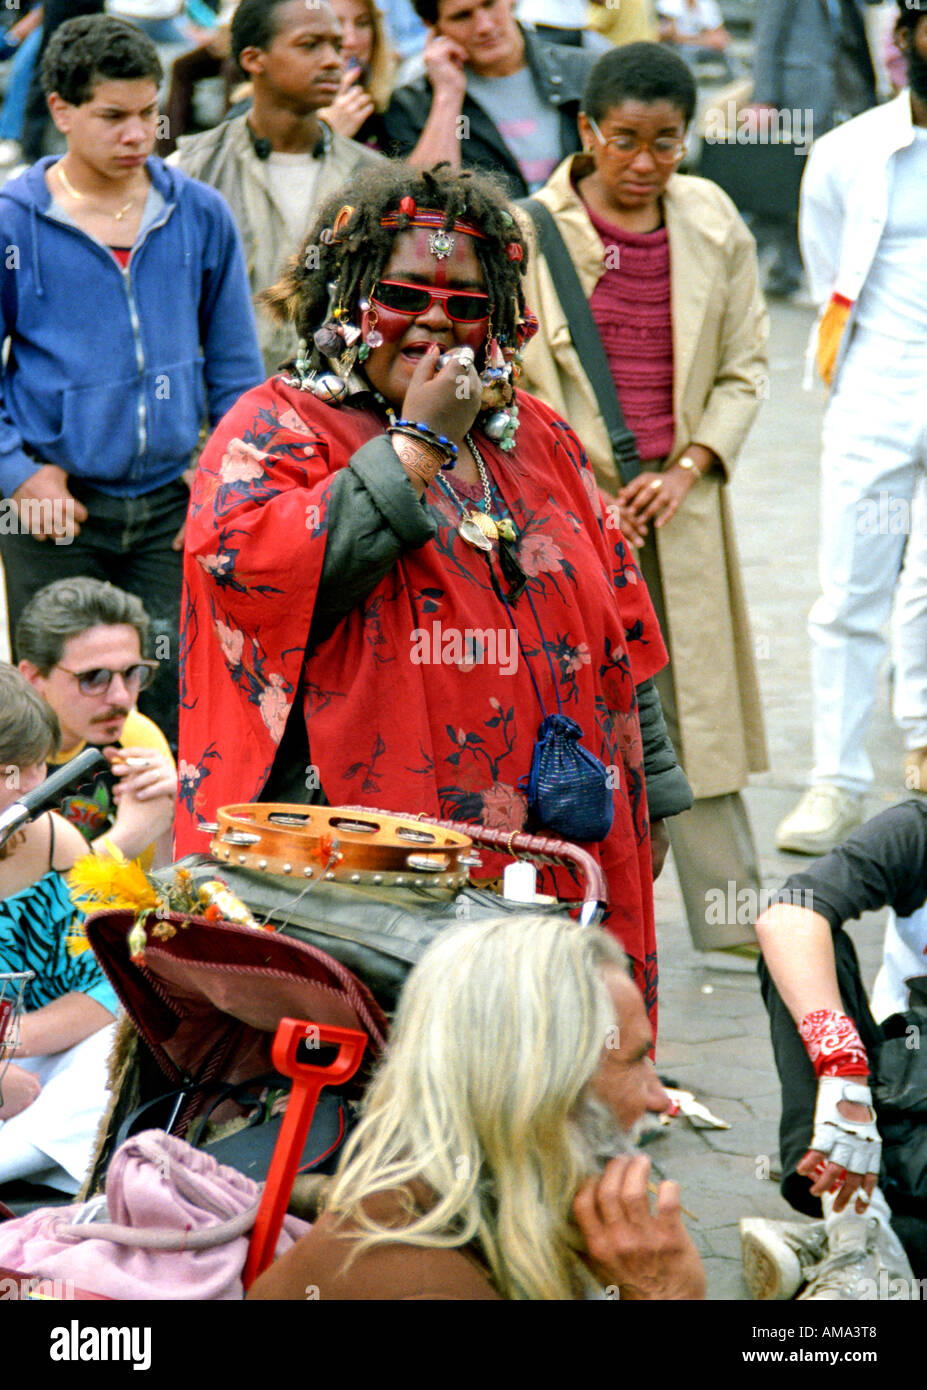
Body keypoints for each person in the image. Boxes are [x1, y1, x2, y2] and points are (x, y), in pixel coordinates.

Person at [175, 160, 695, 1028]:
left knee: (541, 1078)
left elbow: (621, 626)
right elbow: (265, 584)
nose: (433, 324)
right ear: (342, 296)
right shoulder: (272, 430)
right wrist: (417, 443)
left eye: (464, 304)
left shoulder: (543, 437)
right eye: (403, 295)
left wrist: (659, 798)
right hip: (371, 865)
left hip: (556, 837)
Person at [518, 43, 769, 956]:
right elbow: (510, 385)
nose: (643, 163)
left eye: (666, 143)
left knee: (697, 708)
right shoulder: (530, 231)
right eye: (623, 140)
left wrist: (691, 464)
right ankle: (575, 919)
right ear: (585, 131)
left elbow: (745, 367)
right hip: (567, 516)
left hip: (681, 505)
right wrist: (586, 489)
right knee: (575, 706)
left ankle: (731, 920)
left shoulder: (710, 216)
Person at [0, 14, 264, 748]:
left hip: (168, 505)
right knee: (58, 697)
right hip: (55, 511)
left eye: (150, 113)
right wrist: (19, 474)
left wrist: (219, 483)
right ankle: (52, 852)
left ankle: (158, 853)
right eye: (113, 116)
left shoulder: (199, 215)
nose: (138, 134)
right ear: (60, 110)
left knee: (166, 682)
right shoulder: (13, 224)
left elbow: (239, 377)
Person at [248, 915, 706, 1300]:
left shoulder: (459, 1212)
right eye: (632, 1062)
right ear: (539, 1092)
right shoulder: (428, 1286)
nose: (660, 1098)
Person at [775, 0, 927, 856]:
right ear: (902, 36)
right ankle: (832, 782)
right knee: (848, 591)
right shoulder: (846, 153)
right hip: (875, 382)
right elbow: (827, 272)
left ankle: (921, 749)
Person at [747, 800, 927, 1297]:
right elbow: (787, 917)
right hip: (891, 1098)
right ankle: (857, 1228)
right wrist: (841, 1065)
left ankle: (859, 1247)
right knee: (801, 962)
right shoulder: (917, 830)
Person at [171, 0, 386, 375]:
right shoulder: (191, 171)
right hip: (229, 410)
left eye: (336, 46)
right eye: (309, 45)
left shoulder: (376, 179)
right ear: (254, 59)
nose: (334, 60)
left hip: (344, 409)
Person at [0, 664, 119, 1196]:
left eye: (34, 766)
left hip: (39, 1064)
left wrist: (8, 1047)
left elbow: (107, 985)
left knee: (119, 1053)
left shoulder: (54, 841)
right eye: (9, 771)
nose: (31, 786)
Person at [17, 578, 176, 867]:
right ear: (33, 679)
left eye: (131, 673)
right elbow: (21, 904)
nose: (121, 696)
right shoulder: (8, 757)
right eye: (93, 678)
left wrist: (168, 819)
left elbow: (162, 887)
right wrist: (125, 840)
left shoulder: (138, 735)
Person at [381, 0, 598, 196]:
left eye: (490, 4)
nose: (484, 26)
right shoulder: (413, 105)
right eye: (462, 16)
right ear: (432, 26)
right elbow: (426, 201)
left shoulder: (584, 71)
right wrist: (448, 96)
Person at [749, 0, 879, 299]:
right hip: (797, 98)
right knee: (787, 188)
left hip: (844, 97)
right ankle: (771, 267)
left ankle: (799, 273)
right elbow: (768, 37)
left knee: (828, 189)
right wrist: (762, 98)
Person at [317, 0, 397, 149]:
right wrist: (326, 136)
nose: (351, 41)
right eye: (336, 24)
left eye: (362, 23)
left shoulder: (394, 104)